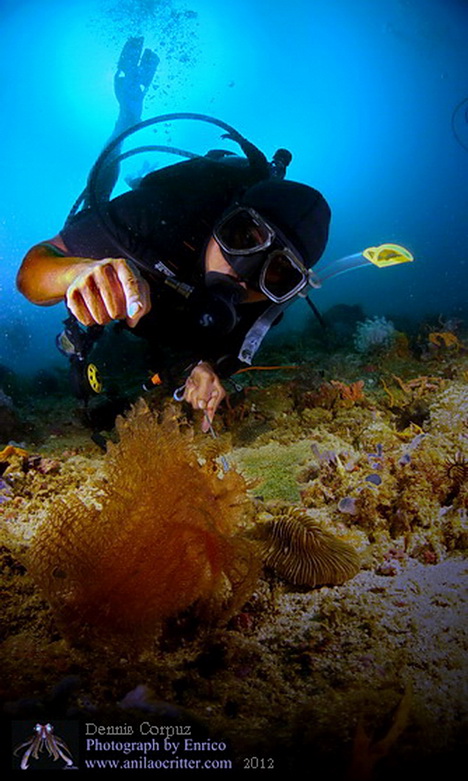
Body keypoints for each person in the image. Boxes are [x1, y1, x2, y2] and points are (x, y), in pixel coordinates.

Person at [17, 40, 331, 433]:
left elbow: (223, 352)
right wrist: (79, 272)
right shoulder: (161, 212)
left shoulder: (267, 303)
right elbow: (32, 271)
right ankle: (128, 114)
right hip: (146, 245)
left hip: (165, 317)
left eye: (279, 272)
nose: (243, 274)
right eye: (243, 236)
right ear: (224, 217)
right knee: (99, 191)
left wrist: (202, 368)